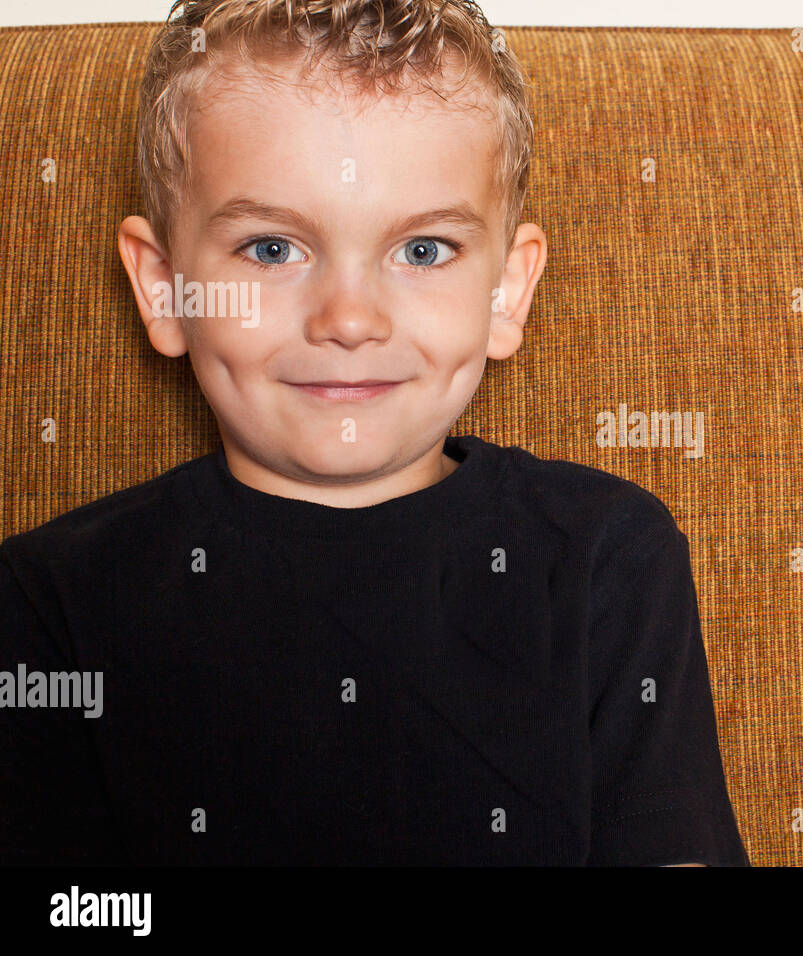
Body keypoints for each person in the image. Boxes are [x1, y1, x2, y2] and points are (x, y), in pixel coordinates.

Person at [0, 0, 749, 867]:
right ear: (165, 289)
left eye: (424, 251)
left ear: (506, 293)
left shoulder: (606, 558)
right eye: (273, 250)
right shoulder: (49, 599)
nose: (350, 320)